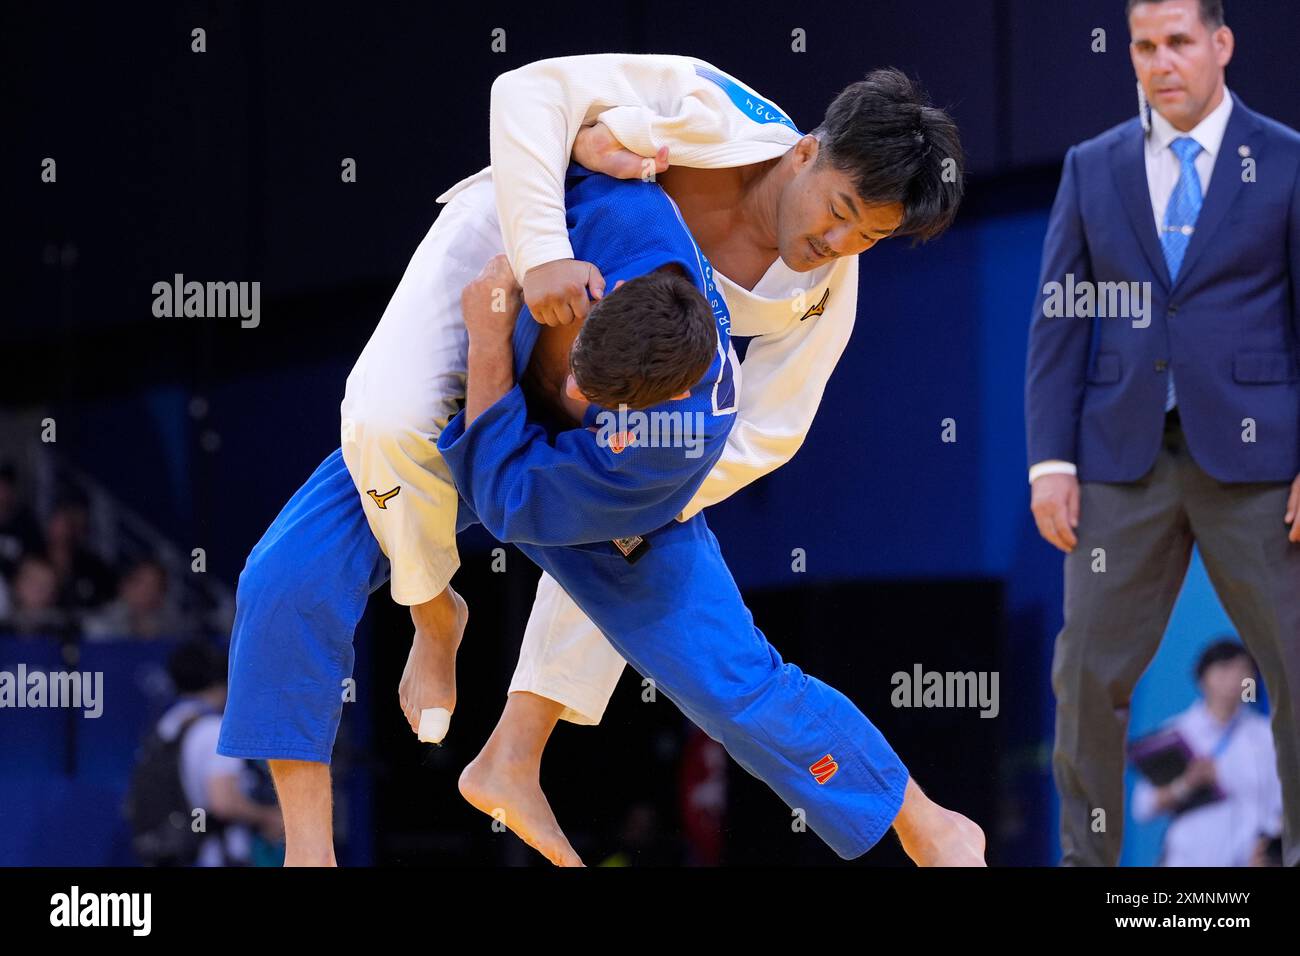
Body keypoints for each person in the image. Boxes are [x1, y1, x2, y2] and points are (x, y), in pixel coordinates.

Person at [442, 251, 986, 867]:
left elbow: (515, 499)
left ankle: (924, 822)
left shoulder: (660, 437)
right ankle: (502, 739)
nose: (834, 237)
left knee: (735, 684)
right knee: (371, 489)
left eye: (860, 229)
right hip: (531, 421)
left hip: (626, 478)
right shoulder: (637, 214)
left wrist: (490, 340)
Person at [1024, 0, 1300, 866]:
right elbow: (1059, 320)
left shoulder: (1287, 161)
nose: (1159, 61)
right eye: (1143, 45)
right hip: (1118, 464)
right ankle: (1087, 862)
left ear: (1221, 44)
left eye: (1178, 41)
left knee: (1295, 673)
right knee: (1085, 678)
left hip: (1260, 462)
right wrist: (1049, 462)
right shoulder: (1091, 165)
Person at [132, 641, 284, 866]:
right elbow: (222, 802)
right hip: (213, 856)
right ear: (221, 681)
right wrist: (268, 817)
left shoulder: (169, 723)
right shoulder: (214, 729)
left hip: (179, 853)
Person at [1132, 640, 1283, 866]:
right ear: (1203, 677)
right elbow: (1142, 807)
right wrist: (1186, 784)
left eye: (1243, 669)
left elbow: (1281, 805)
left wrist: (1272, 852)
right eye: (1224, 669)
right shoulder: (1177, 732)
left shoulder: (1266, 735)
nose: (1235, 679)